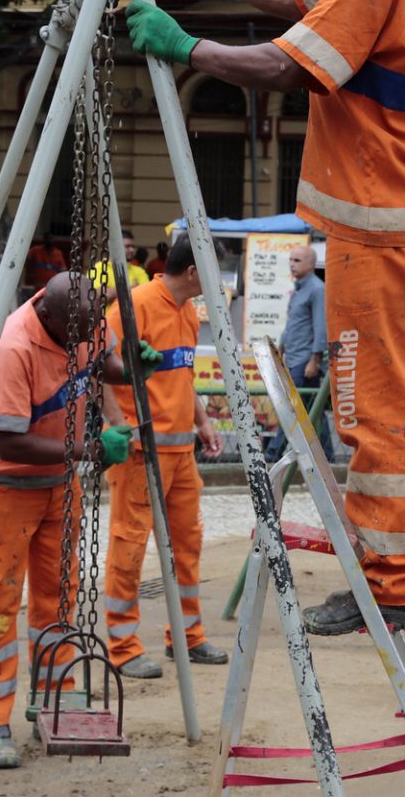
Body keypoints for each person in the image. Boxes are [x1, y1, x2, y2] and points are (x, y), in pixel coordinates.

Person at [126, 0, 405, 636]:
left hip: (377, 222)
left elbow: (286, 63)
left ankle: (392, 586)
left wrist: (184, 45)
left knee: (371, 406)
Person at [0, 271, 145, 770]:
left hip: (59, 485)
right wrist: (87, 449)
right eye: (79, 334)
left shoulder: (83, 322)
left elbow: (102, 362)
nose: (88, 340)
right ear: (49, 315)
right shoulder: (13, 348)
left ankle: (57, 697)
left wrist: (130, 367)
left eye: (93, 332)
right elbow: (8, 441)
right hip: (8, 487)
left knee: (58, 596)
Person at [101, 234, 229, 680]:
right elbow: (95, 365)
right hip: (140, 452)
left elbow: (182, 373)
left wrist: (202, 422)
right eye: (212, 272)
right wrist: (119, 426)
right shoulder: (133, 307)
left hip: (179, 452)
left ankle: (188, 636)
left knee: (186, 544)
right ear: (193, 272)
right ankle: (122, 645)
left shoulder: (188, 312)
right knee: (130, 544)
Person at [267, 244, 330, 460]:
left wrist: (315, 360)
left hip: (305, 361)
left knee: (292, 409)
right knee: (312, 411)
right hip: (293, 358)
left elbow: (321, 327)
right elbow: (292, 323)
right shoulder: (299, 288)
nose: (292, 264)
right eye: (291, 260)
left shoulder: (317, 289)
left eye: (297, 260)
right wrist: (280, 349)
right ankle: (327, 455)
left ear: (311, 264)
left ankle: (274, 452)